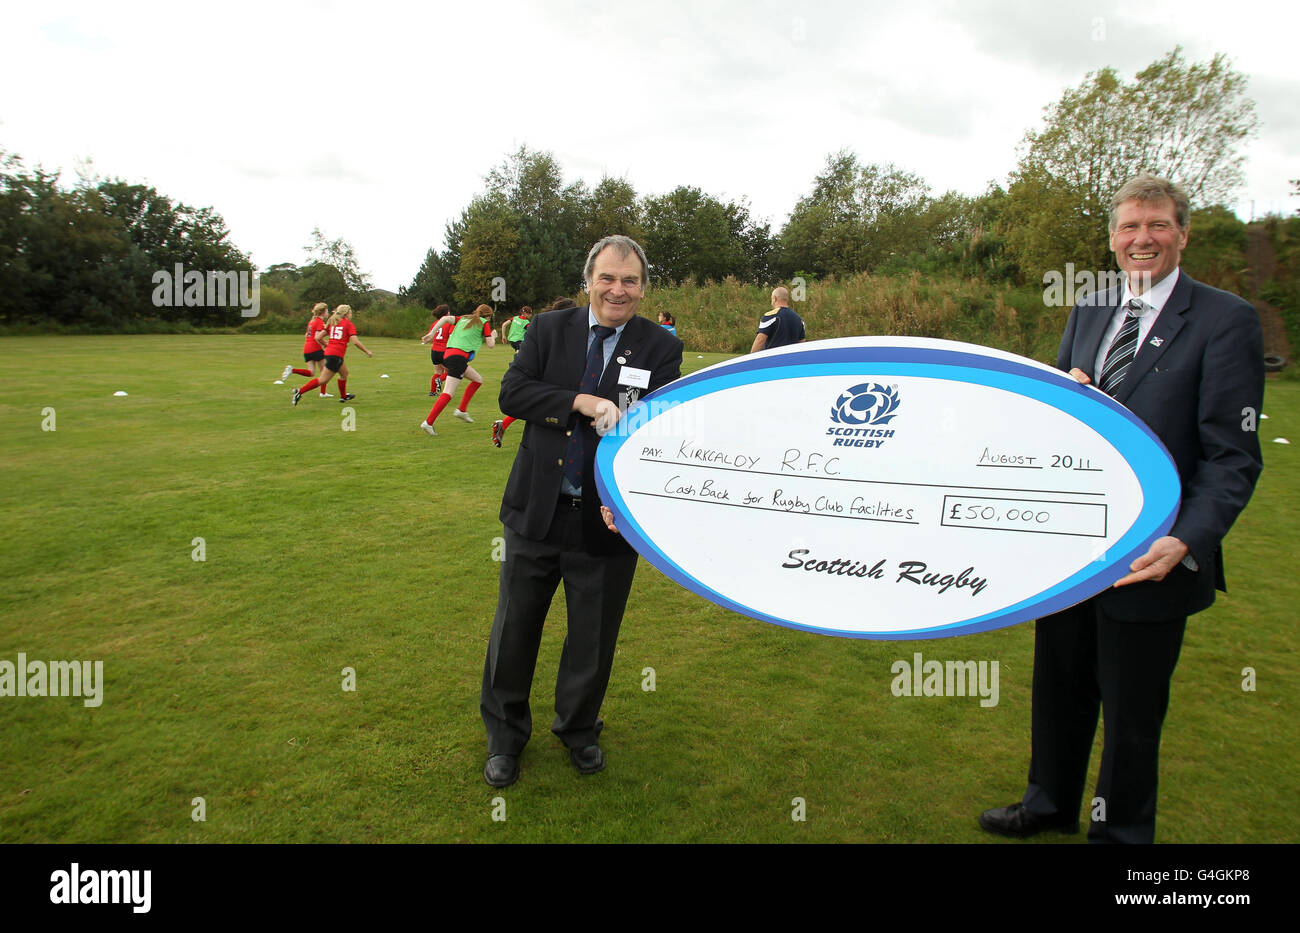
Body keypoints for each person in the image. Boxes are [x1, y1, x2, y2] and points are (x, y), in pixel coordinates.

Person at [979, 175, 1264, 844]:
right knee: (1058, 691)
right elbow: (1054, 424)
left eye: (1157, 225)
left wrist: (1188, 540)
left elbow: (1233, 456)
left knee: (1133, 712)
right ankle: (1047, 803)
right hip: (1072, 550)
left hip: (1152, 557)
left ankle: (1124, 836)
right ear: (1112, 239)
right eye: (1130, 227)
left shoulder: (1226, 320)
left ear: (1182, 233)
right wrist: (1064, 398)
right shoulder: (1090, 307)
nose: (1143, 238)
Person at [479, 235, 682, 788]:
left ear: (643, 288)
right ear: (588, 280)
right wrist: (578, 401)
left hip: (610, 519)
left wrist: (628, 502)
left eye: (631, 280)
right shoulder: (548, 329)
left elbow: (655, 434)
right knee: (515, 629)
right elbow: (513, 393)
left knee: (592, 637)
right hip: (535, 512)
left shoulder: (660, 347)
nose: (618, 290)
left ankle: (577, 730)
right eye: (609, 278)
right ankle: (504, 737)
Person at [491, 297, 577, 448]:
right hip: (540, 370)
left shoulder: (543, 323)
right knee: (542, 404)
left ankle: (503, 425)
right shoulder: (552, 327)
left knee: (538, 404)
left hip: (530, 361)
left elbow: (506, 324)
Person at [418, 304, 494, 435]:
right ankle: (428, 423)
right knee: (448, 393)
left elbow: (444, 319)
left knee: (477, 380)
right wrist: (493, 334)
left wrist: (432, 333)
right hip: (458, 359)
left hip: (448, 355)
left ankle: (462, 410)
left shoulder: (463, 318)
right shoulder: (484, 323)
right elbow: (491, 344)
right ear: (488, 316)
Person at [292, 305, 372, 405]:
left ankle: (343, 396)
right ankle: (299, 391)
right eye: (350, 313)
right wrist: (367, 351)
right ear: (346, 314)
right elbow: (355, 342)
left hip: (329, 353)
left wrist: (326, 345)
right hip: (336, 355)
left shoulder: (332, 322)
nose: (351, 315)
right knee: (323, 379)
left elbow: (318, 337)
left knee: (344, 374)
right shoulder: (348, 324)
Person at [280, 302, 333, 398]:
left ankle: (292, 370)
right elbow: (317, 337)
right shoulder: (319, 322)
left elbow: (307, 335)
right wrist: (325, 344)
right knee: (324, 372)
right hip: (315, 348)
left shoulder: (311, 322)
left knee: (311, 372)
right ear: (323, 312)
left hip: (307, 349)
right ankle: (323, 393)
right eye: (327, 311)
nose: (328, 313)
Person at [750, 286, 804, 352]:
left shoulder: (770, 316)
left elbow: (760, 340)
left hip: (773, 359)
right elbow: (802, 343)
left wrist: (751, 358)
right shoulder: (799, 319)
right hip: (792, 360)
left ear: (774, 298)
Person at [420, 304, 452, 397]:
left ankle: (433, 391)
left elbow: (430, 336)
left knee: (438, 371)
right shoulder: (449, 323)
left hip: (434, 351)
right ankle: (440, 380)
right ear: (446, 313)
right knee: (452, 371)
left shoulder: (435, 324)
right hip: (444, 351)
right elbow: (450, 336)